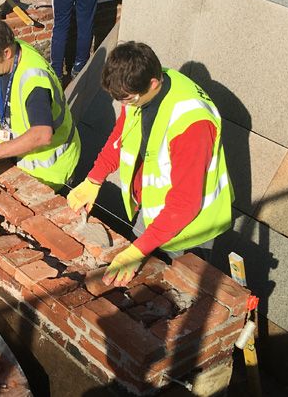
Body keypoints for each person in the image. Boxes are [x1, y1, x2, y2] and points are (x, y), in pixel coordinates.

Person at [67, 42, 233, 287]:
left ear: (153, 84)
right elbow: (121, 137)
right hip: (154, 209)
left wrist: (138, 250)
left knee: (175, 292)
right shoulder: (138, 87)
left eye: (128, 100)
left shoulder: (192, 124)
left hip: (191, 229)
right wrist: (94, 178)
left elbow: (186, 204)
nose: (125, 106)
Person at [0, 17, 81, 190]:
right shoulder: (7, 52)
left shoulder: (35, 82)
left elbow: (42, 134)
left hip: (48, 171)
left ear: (6, 53)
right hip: (17, 156)